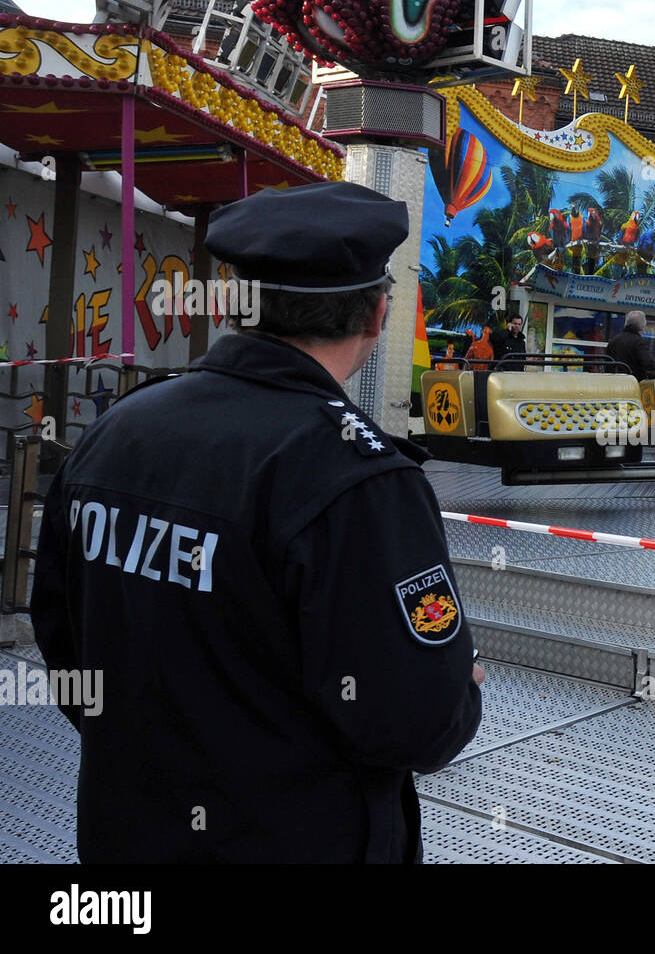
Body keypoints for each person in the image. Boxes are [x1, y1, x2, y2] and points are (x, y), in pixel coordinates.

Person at [30, 181, 483, 863]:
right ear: (377, 314)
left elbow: (62, 639)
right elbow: (418, 722)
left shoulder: (117, 431)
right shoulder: (357, 479)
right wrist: (458, 687)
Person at [606, 309, 655, 380]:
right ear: (642, 327)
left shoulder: (613, 340)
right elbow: (648, 364)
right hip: (632, 384)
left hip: (613, 383)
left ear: (626, 323)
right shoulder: (639, 342)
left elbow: (607, 364)